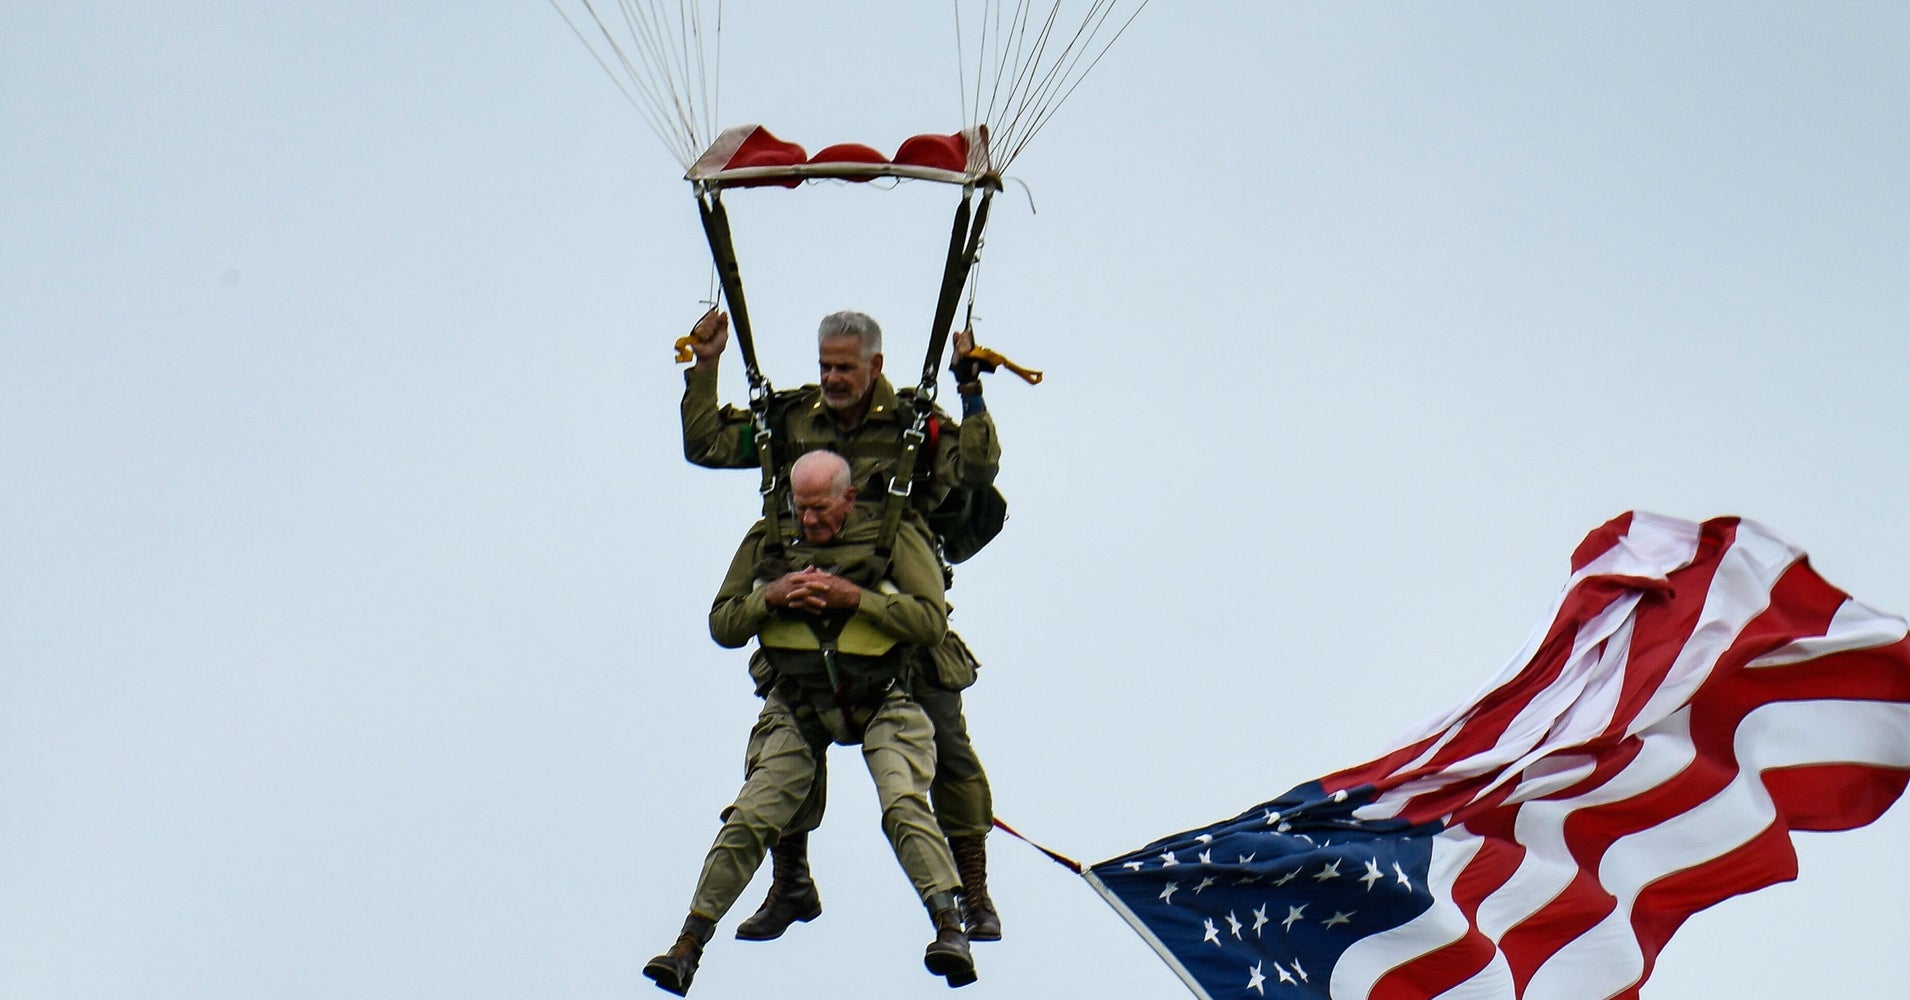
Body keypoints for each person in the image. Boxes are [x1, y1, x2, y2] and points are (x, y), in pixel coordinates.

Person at [678, 308, 1005, 941]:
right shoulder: (795, 422)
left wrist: (970, 390)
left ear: (875, 366)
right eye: (824, 364)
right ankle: (791, 882)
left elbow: (978, 468)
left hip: (897, 613)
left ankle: (975, 892)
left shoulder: (916, 428)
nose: (831, 377)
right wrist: (708, 366)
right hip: (805, 611)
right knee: (785, 739)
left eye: (844, 367)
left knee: (950, 754)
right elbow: (709, 445)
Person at [643, 451, 976, 995]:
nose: (809, 521)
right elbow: (723, 622)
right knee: (753, 812)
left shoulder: (893, 534)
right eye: (800, 509)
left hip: (884, 694)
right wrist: (770, 597)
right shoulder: (769, 540)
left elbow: (929, 621)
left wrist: (857, 599)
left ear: (848, 498)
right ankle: (688, 946)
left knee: (902, 802)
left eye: (820, 509)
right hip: (798, 699)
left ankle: (949, 926)